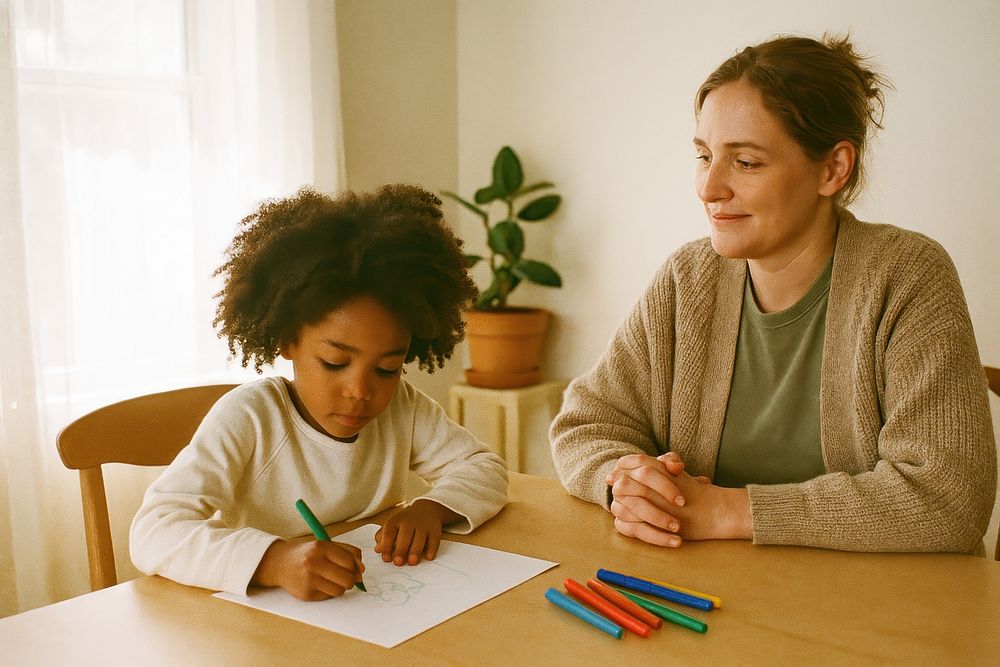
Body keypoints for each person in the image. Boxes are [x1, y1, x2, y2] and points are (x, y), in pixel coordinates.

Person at [550, 35, 996, 554]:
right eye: (704, 155)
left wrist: (728, 511)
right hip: (714, 605)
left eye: (746, 162)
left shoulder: (907, 276)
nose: (708, 187)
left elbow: (949, 499)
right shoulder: (687, 279)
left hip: (882, 614)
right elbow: (586, 424)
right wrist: (624, 482)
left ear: (833, 169)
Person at [130, 185, 508, 599]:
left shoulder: (403, 407)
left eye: (387, 368)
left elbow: (484, 468)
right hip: (267, 624)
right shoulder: (251, 417)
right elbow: (154, 530)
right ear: (286, 340)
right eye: (334, 363)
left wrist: (431, 509)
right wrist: (273, 560)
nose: (361, 390)